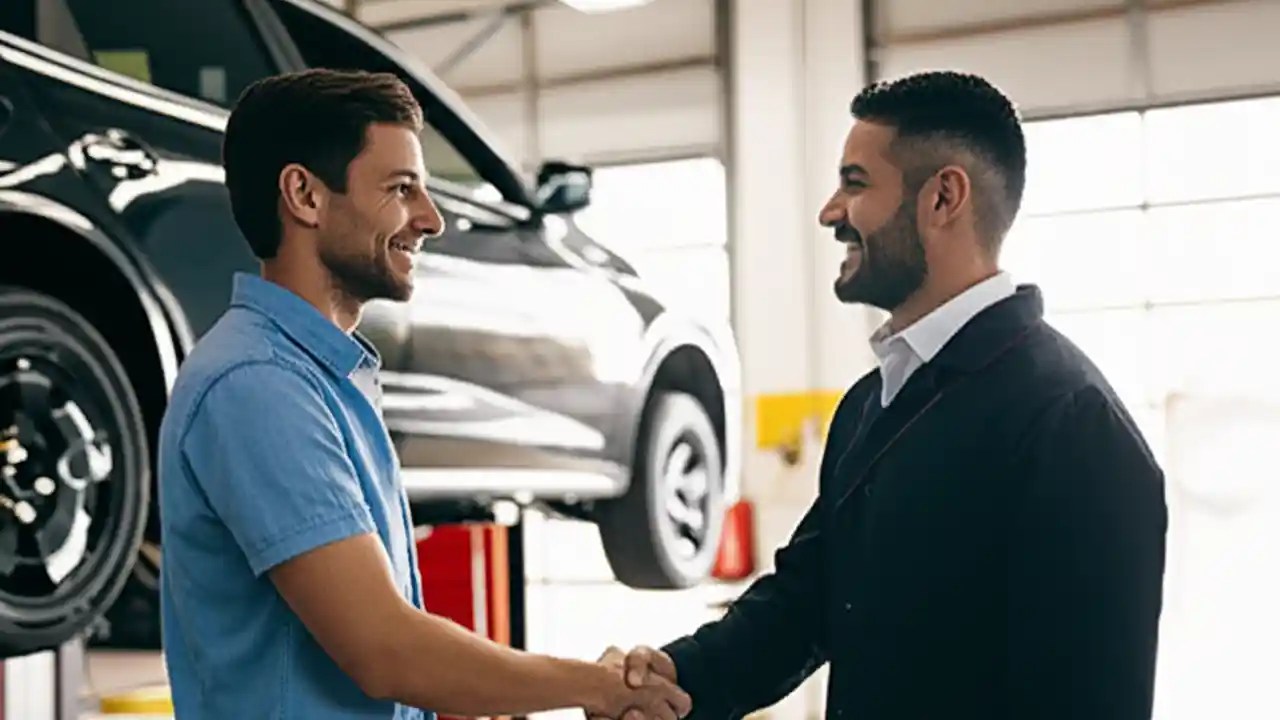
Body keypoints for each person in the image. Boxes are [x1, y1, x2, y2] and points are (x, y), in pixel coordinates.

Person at [601, 71, 1168, 720]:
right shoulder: (873, 403)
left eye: (855, 182)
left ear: (943, 197)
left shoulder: (1069, 423)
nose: (829, 211)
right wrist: (674, 679)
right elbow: (808, 603)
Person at [155, 68, 692, 720]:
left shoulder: (316, 378)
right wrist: (595, 685)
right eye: (402, 188)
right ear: (304, 195)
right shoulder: (258, 387)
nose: (431, 220)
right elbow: (386, 651)